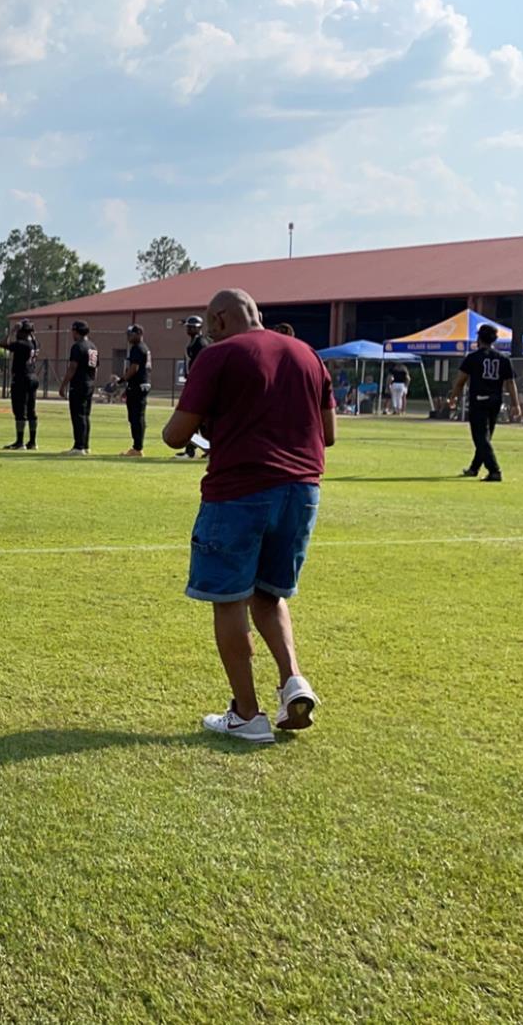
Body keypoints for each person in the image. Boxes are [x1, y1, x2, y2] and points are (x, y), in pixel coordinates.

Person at [160, 288, 333, 745]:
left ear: (218, 320)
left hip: (240, 490)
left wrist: (209, 426)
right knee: (270, 595)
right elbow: (328, 433)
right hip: (302, 491)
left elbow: (175, 435)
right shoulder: (307, 354)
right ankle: (293, 679)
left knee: (229, 598)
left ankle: (247, 713)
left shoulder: (218, 357)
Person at [444, 323, 523, 482]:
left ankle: (494, 470)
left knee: (480, 437)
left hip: (479, 401)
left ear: (479, 338)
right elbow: (510, 383)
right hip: (495, 401)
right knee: (486, 437)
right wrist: (516, 404)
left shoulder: (473, 358)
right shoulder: (503, 358)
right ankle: (474, 468)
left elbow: (460, 381)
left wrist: (453, 397)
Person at [59, 319, 98, 454]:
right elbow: (95, 368)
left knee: (78, 415)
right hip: (89, 383)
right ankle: (85, 445)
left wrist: (63, 385)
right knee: (86, 415)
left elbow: (72, 367)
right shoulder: (92, 346)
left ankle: (79, 446)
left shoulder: (78, 346)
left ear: (76, 331)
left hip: (79, 384)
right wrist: (93, 382)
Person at [0, 319, 39, 450]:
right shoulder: (34, 343)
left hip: (22, 378)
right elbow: (33, 337)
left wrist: (12, 330)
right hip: (33, 376)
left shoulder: (21, 344)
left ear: (22, 332)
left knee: (20, 410)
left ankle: (20, 442)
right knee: (31, 410)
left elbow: (3, 343)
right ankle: (32, 442)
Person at [178, 315, 209, 458]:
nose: (189, 329)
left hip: (200, 386)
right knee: (196, 420)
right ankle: (195, 450)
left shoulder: (201, 344)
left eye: (192, 327)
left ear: (199, 328)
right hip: (193, 384)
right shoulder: (193, 342)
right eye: (188, 327)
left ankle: (203, 449)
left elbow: (202, 366)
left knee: (194, 419)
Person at [120, 324, 152, 457]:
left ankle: (137, 448)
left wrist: (122, 380)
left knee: (136, 417)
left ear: (139, 333)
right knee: (137, 416)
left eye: (131, 334)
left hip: (138, 385)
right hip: (142, 384)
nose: (128, 337)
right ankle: (137, 446)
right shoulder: (144, 348)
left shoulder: (137, 348)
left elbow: (134, 368)